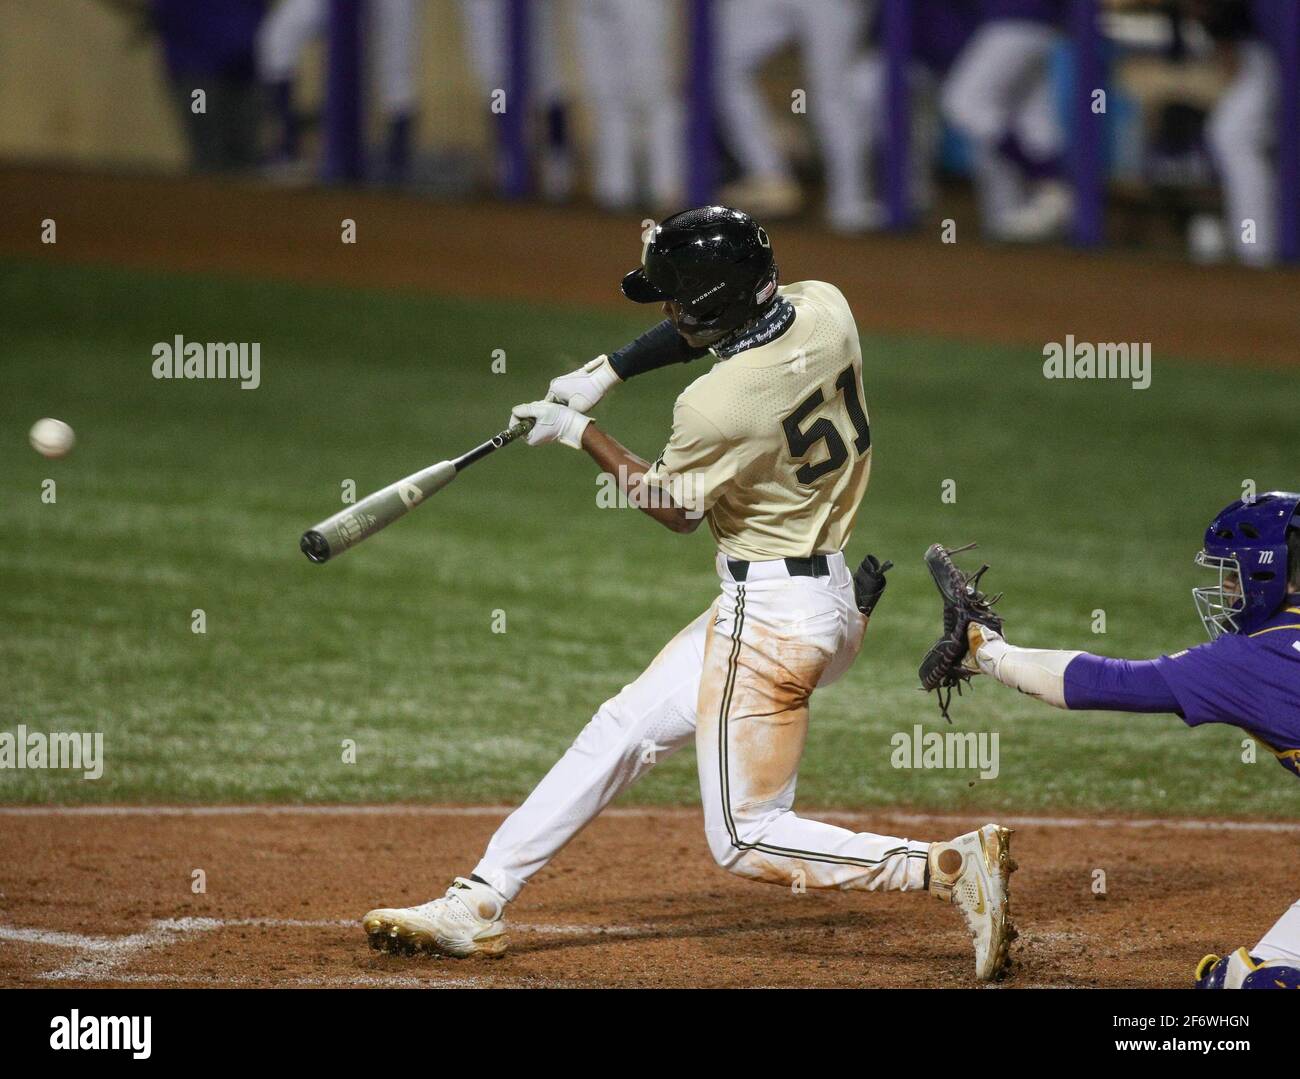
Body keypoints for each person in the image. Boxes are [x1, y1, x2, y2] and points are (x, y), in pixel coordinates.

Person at [362, 206, 1017, 982]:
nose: (668, 311)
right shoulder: (825, 306)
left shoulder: (715, 406)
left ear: (710, 303)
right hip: (828, 596)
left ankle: (945, 865)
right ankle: (479, 899)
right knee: (624, 727)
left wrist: (580, 434)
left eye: (677, 299)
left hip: (769, 622)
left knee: (744, 836)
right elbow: (725, 328)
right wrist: (609, 370)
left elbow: (674, 508)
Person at [942, 490, 1300, 988]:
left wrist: (988, 651)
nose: (1226, 589)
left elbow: (1104, 682)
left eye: (1231, 574)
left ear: (1270, 573)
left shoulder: (1251, 657)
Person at [940, 0, 1071, 241]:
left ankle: (1050, 180)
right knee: (1030, 119)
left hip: (1013, 19)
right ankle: (1022, 213)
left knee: (962, 103)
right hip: (1036, 24)